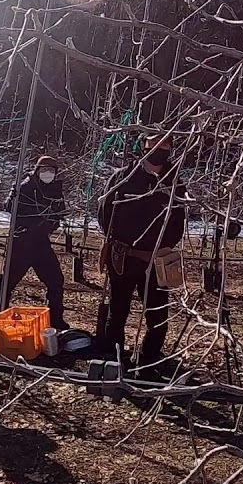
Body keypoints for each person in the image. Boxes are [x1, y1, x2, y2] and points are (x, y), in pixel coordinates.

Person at [96, 132, 188, 372]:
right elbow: (104, 213)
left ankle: (150, 360)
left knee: (158, 317)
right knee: (118, 312)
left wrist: (164, 246)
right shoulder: (122, 178)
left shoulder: (174, 182)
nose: (160, 147)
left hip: (157, 262)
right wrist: (117, 241)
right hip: (124, 260)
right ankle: (113, 360)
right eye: (154, 143)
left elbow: (180, 221)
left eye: (165, 144)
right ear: (144, 145)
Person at [0, 155, 69, 328]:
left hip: (41, 243)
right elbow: (9, 208)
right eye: (44, 170)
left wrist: (50, 224)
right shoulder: (26, 187)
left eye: (51, 170)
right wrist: (13, 196)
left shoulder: (56, 190)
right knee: (7, 282)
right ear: (37, 171)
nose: (48, 174)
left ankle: (56, 320)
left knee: (56, 280)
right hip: (21, 242)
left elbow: (60, 213)